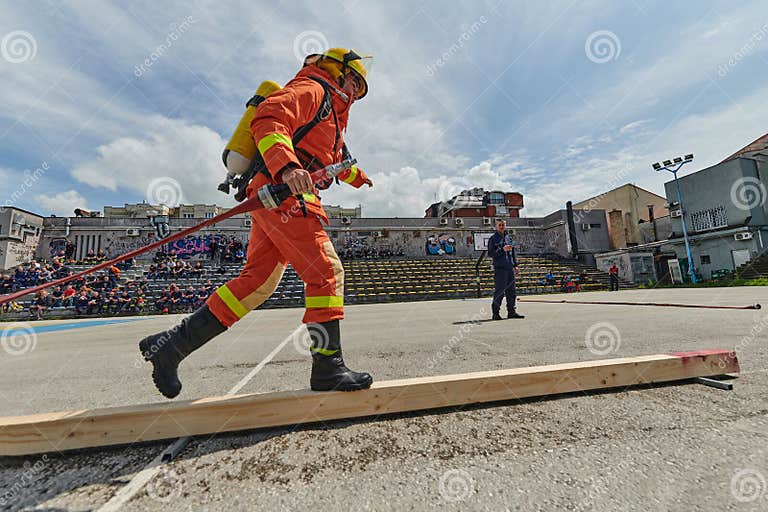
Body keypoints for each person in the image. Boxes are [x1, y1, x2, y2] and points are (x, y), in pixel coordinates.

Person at [139, 47, 375, 398]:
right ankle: (328, 367)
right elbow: (269, 117)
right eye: (354, 80)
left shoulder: (334, 117)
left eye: (359, 86)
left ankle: (173, 345)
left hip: (273, 196)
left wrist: (358, 177)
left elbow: (332, 157)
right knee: (326, 272)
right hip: (285, 194)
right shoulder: (315, 89)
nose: (355, 90)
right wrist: (289, 166)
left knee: (257, 283)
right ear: (338, 72)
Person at [487, 219, 524, 320]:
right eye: (500, 225)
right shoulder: (493, 239)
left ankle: (511, 312)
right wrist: (502, 250)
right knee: (499, 292)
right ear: (496, 226)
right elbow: (491, 253)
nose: (502, 226)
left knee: (511, 292)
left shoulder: (508, 238)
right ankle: (495, 313)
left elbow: (512, 254)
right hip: (500, 269)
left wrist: (515, 265)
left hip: (509, 269)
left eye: (503, 225)